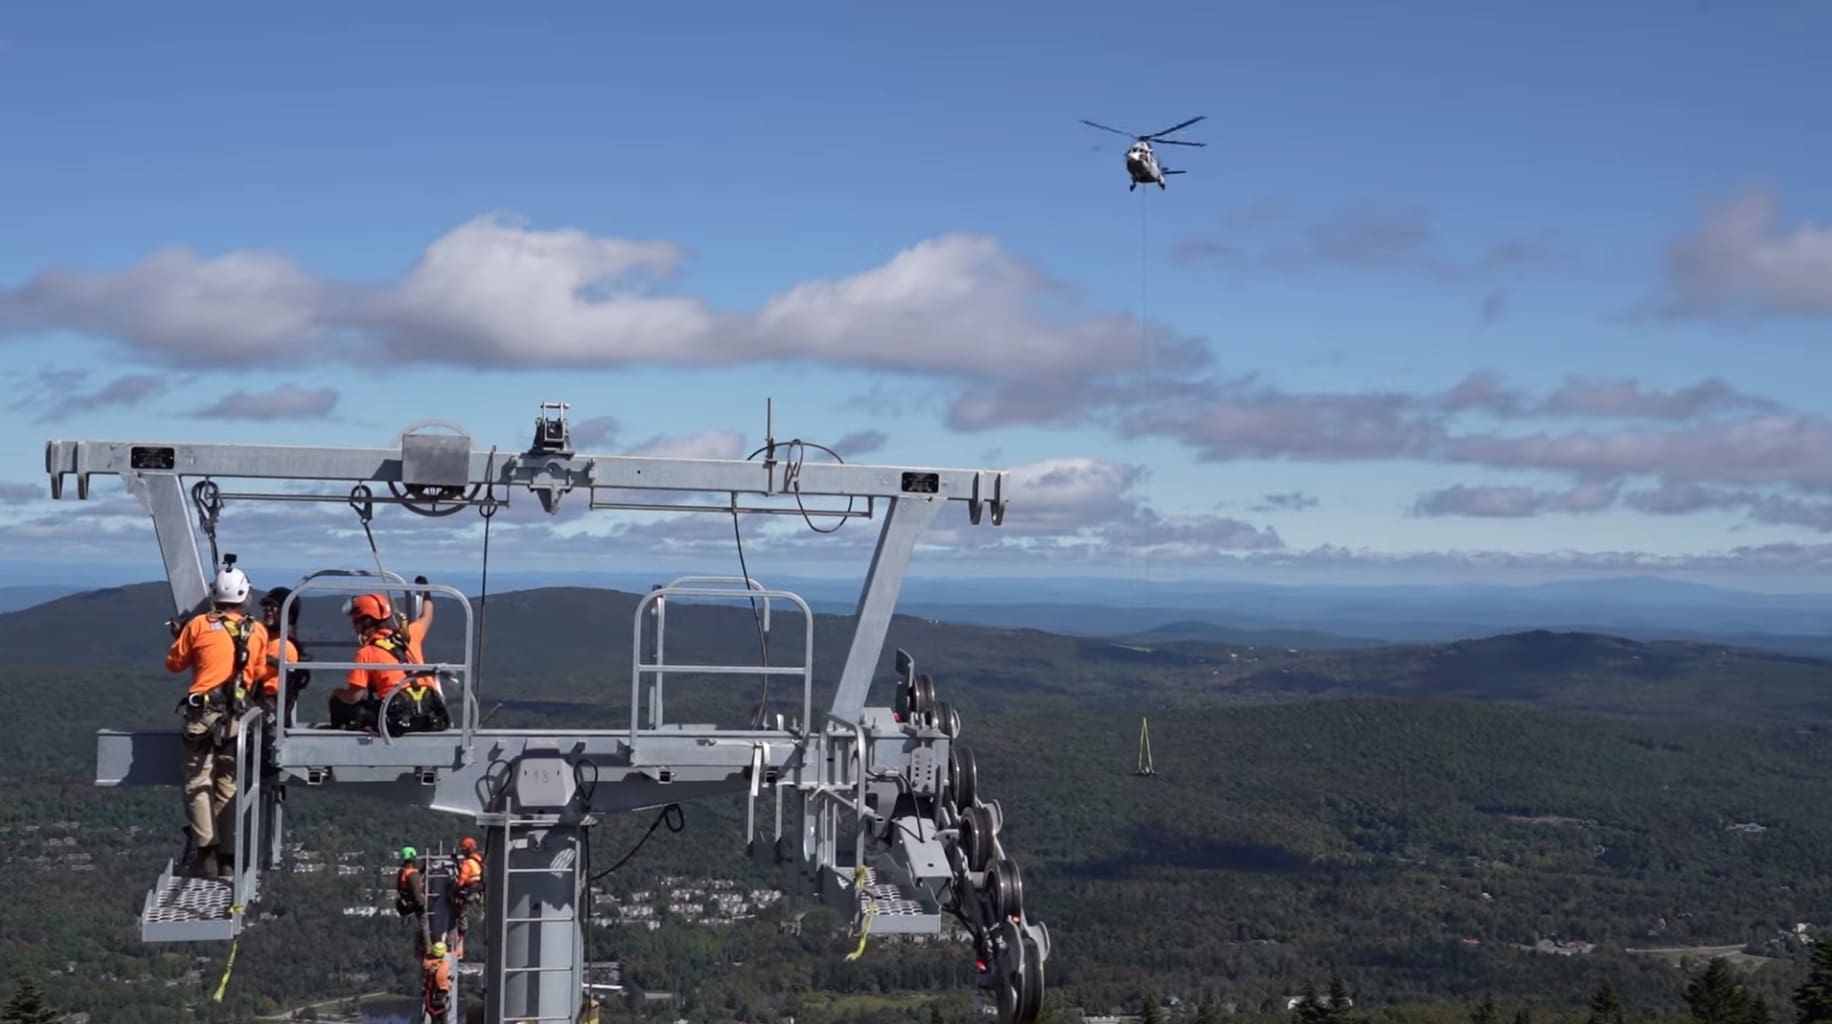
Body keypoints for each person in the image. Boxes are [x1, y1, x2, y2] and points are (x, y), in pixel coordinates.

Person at [164, 559, 268, 878]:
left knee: (197, 781)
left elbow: (174, 663)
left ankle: (206, 850)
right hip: (238, 717)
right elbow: (260, 672)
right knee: (227, 782)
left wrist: (181, 637)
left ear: (215, 596)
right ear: (244, 596)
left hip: (203, 714)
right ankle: (227, 856)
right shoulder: (258, 631)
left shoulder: (197, 626)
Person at [327, 586, 436, 732]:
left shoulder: (366, 653)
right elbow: (427, 615)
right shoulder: (409, 635)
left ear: (366, 622)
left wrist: (336, 693)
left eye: (355, 621)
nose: (354, 626)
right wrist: (426, 593)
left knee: (339, 702)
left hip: (398, 717)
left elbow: (354, 697)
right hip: (429, 714)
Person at [252, 586, 310, 729]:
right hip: (268, 710)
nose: (267, 609)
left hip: (265, 711)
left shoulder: (280, 645)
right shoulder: (275, 642)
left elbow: (253, 674)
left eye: (274, 606)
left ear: (288, 615)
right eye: (266, 605)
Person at [448, 835, 484, 956]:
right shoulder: (478, 859)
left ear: (467, 849)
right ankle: (460, 934)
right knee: (462, 912)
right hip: (476, 889)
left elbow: (461, 882)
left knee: (459, 911)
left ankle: (459, 936)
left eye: (463, 850)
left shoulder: (468, 863)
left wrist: (452, 890)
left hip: (468, 891)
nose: (462, 852)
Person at [422, 939, 451, 1020]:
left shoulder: (427, 963)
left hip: (431, 995)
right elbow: (444, 983)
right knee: (441, 1015)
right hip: (439, 996)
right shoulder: (444, 965)